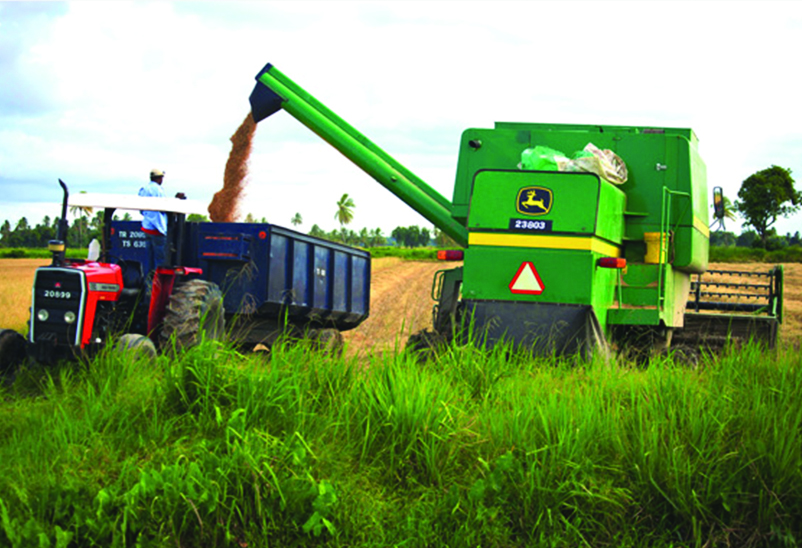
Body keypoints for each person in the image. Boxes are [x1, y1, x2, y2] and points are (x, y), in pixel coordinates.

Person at [138, 168, 168, 273]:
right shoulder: (159, 190)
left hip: (147, 227)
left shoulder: (144, 189)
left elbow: (141, 210)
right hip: (158, 228)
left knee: (149, 258)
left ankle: (149, 281)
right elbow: (164, 207)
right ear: (159, 178)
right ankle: (157, 282)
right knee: (160, 259)